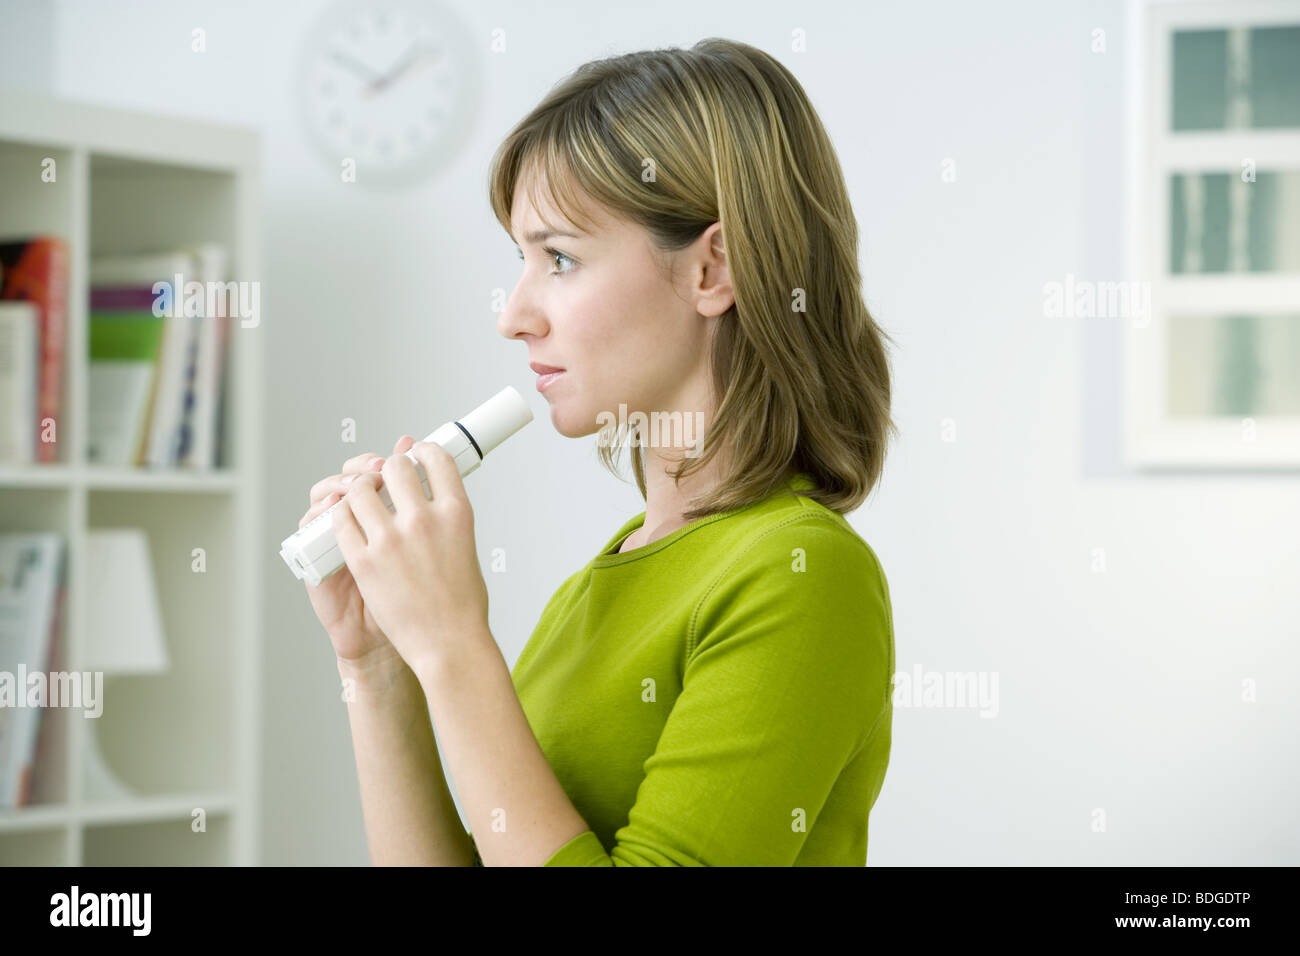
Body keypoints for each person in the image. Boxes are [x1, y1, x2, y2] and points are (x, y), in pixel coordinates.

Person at [298, 37, 898, 866]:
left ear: (711, 270)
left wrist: (455, 643)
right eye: (522, 260)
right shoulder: (595, 589)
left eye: (561, 258)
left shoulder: (800, 573)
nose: (514, 315)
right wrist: (381, 667)